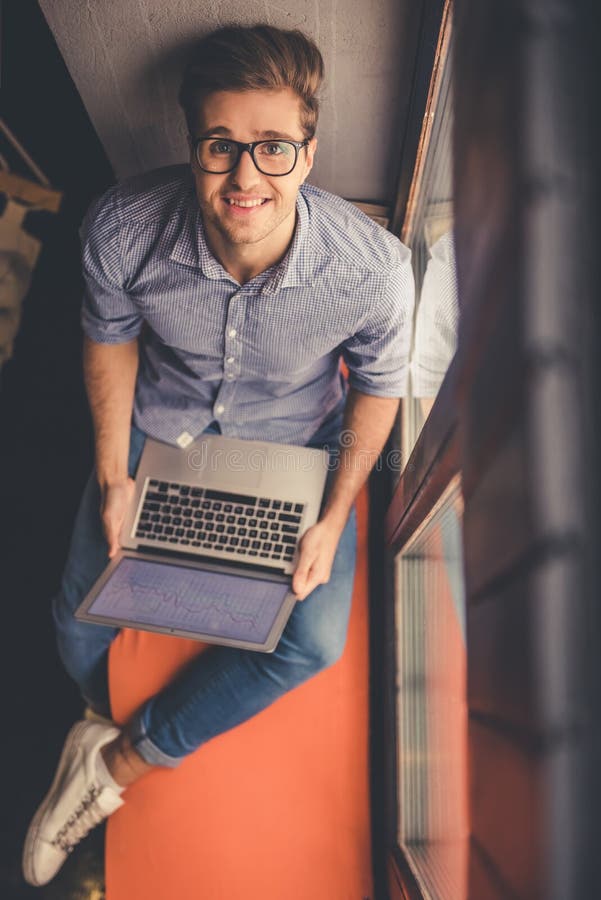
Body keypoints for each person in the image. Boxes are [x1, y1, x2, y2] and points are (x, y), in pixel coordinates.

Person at [23, 24, 414, 887]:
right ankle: (96, 715)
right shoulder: (124, 227)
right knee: (70, 617)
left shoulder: (373, 270)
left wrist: (333, 517)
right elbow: (109, 339)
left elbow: (380, 390)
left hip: (294, 446)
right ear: (192, 146)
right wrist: (115, 474)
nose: (245, 178)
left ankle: (117, 763)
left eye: (272, 148)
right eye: (221, 147)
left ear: (307, 154)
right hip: (160, 432)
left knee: (309, 644)